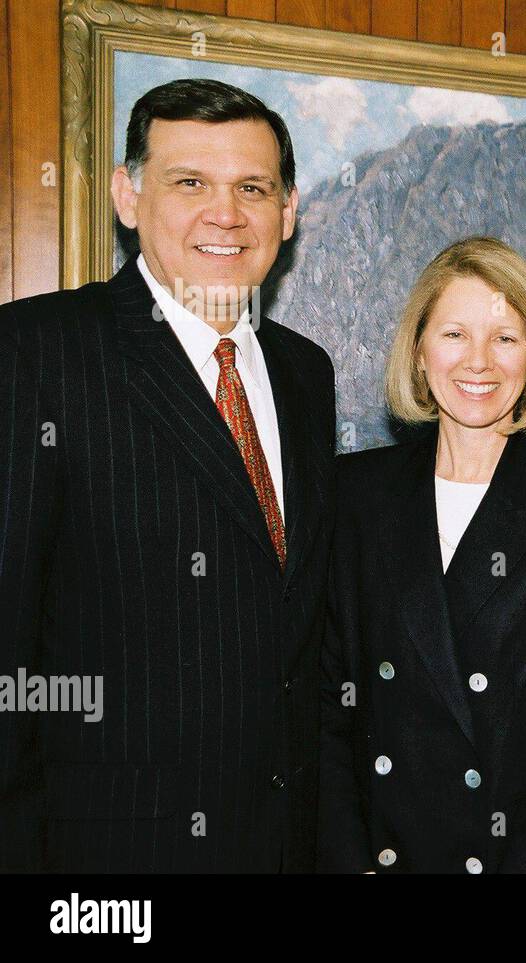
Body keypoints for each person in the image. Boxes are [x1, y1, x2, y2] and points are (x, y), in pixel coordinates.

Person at [0, 79, 336, 871]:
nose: (226, 213)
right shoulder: (35, 355)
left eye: (252, 188)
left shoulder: (303, 372)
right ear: (127, 194)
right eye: (190, 182)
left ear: (287, 212)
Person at [318, 237, 526, 873]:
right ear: (419, 349)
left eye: (504, 338)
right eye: (454, 334)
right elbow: (324, 704)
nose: (479, 362)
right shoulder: (356, 494)